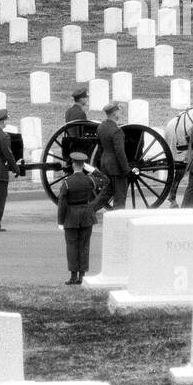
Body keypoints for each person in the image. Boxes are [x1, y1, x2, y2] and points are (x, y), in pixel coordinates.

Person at [57, 151, 97, 285]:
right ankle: (82, 275)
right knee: (84, 246)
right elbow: (106, 180)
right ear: (84, 166)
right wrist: (93, 171)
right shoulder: (89, 180)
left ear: (73, 165)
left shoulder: (67, 182)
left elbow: (62, 203)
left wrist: (60, 221)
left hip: (71, 216)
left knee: (72, 246)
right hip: (86, 215)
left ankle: (73, 276)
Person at [92, 102, 131, 212]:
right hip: (116, 167)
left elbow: (100, 147)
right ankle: (118, 220)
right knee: (120, 196)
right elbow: (120, 153)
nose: (120, 113)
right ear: (114, 113)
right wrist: (126, 169)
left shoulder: (101, 127)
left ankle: (87, 212)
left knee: (106, 194)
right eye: (118, 111)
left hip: (105, 163)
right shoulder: (117, 131)